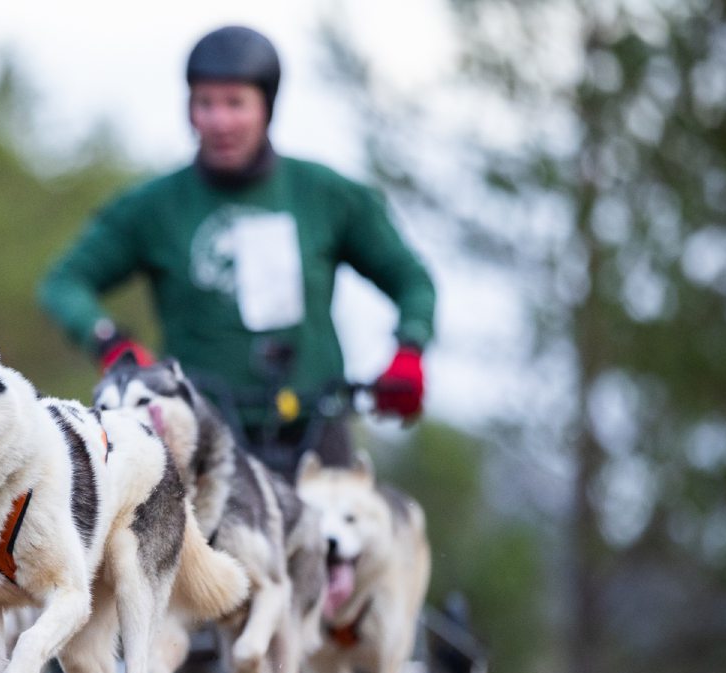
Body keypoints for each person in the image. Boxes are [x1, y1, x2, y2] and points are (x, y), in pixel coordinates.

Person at [38, 25, 435, 475]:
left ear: (266, 107)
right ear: (189, 110)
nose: (220, 121)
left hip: (315, 427)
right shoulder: (153, 207)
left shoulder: (327, 195)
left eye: (235, 103)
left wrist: (409, 349)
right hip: (200, 435)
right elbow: (65, 283)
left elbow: (411, 280)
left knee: (355, 521)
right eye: (205, 103)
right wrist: (112, 345)